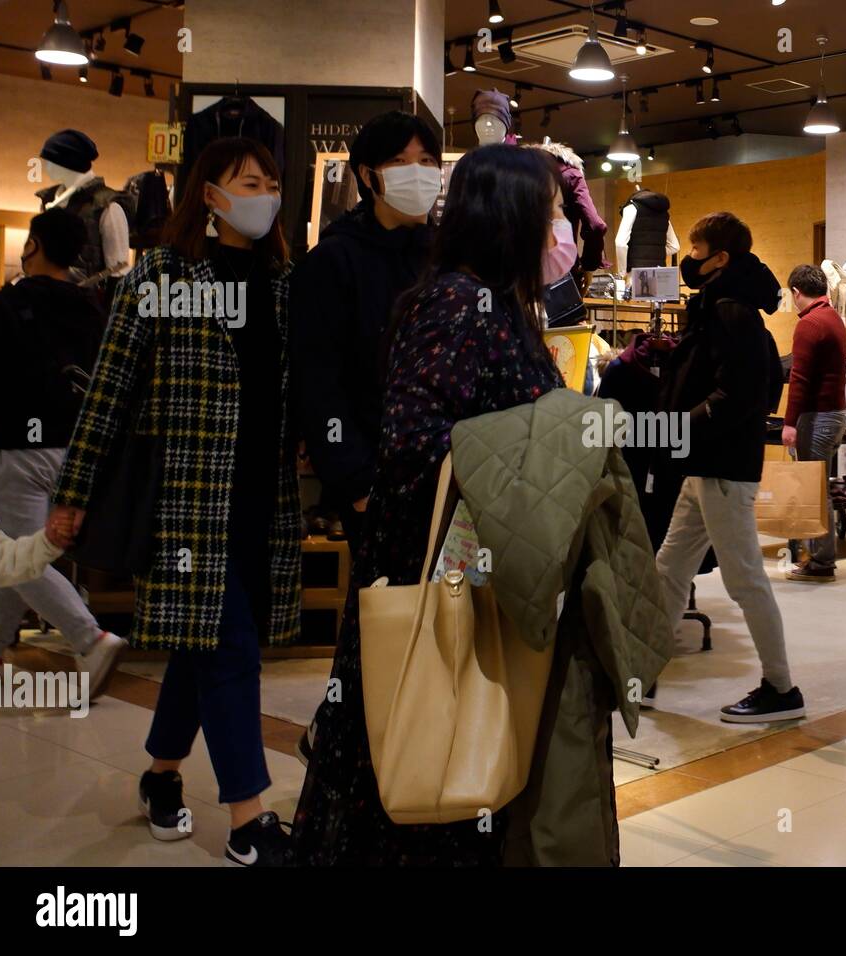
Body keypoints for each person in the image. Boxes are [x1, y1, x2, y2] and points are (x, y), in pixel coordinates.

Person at [293, 144, 569, 865]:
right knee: (426, 739)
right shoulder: (455, 304)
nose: (557, 231)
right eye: (548, 214)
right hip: (441, 570)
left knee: (451, 740)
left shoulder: (496, 304)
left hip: (475, 567)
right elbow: (416, 442)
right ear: (507, 218)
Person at [49, 137, 303, 864]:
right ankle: (249, 822)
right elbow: (108, 390)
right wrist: (75, 493)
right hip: (189, 504)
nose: (263, 191)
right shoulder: (163, 272)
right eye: (247, 180)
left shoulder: (284, 282)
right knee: (231, 650)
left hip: (262, 501)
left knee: (201, 648)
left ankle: (162, 774)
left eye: (271, 181)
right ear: (209, 195)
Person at [290, 109, 442, 765]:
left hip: (445, 470)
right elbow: (318, 382)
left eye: (429, 164)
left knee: (432, 608)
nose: (420, 177)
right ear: (366, 176)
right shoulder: (333, 262)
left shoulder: (442, 256)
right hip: (374, 475)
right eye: (403, 164)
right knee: (378, 609)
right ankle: (347, 737)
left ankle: (397, 736)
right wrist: (352, 484)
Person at [656, 211, 803, 723]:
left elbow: (737, 395)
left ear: (720, 258)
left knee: (744, 580)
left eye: (696, 252)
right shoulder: (718, 308)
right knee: (670, 568)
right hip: (706, 467)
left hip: (723, 468)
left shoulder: (731, 313)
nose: (688, 261)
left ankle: (781, 688)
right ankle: (643, 672)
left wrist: (679, 426)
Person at [0, 209, 125, 694]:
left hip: (20, 449)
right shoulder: (94, 308)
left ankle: (91, 638)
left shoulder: (4, 306)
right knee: (18, 546)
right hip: (80, 451)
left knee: (12, 552)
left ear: (33, 246)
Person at [781, 264, 846, 583]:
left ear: (796, 292)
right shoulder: (833, 317)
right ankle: (820, 558)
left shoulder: (810, 324)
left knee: (814, 491)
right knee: (820, 488)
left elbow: (800, 379)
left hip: (817, 417)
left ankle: (821, 562)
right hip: (835, 414)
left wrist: (789, 423)